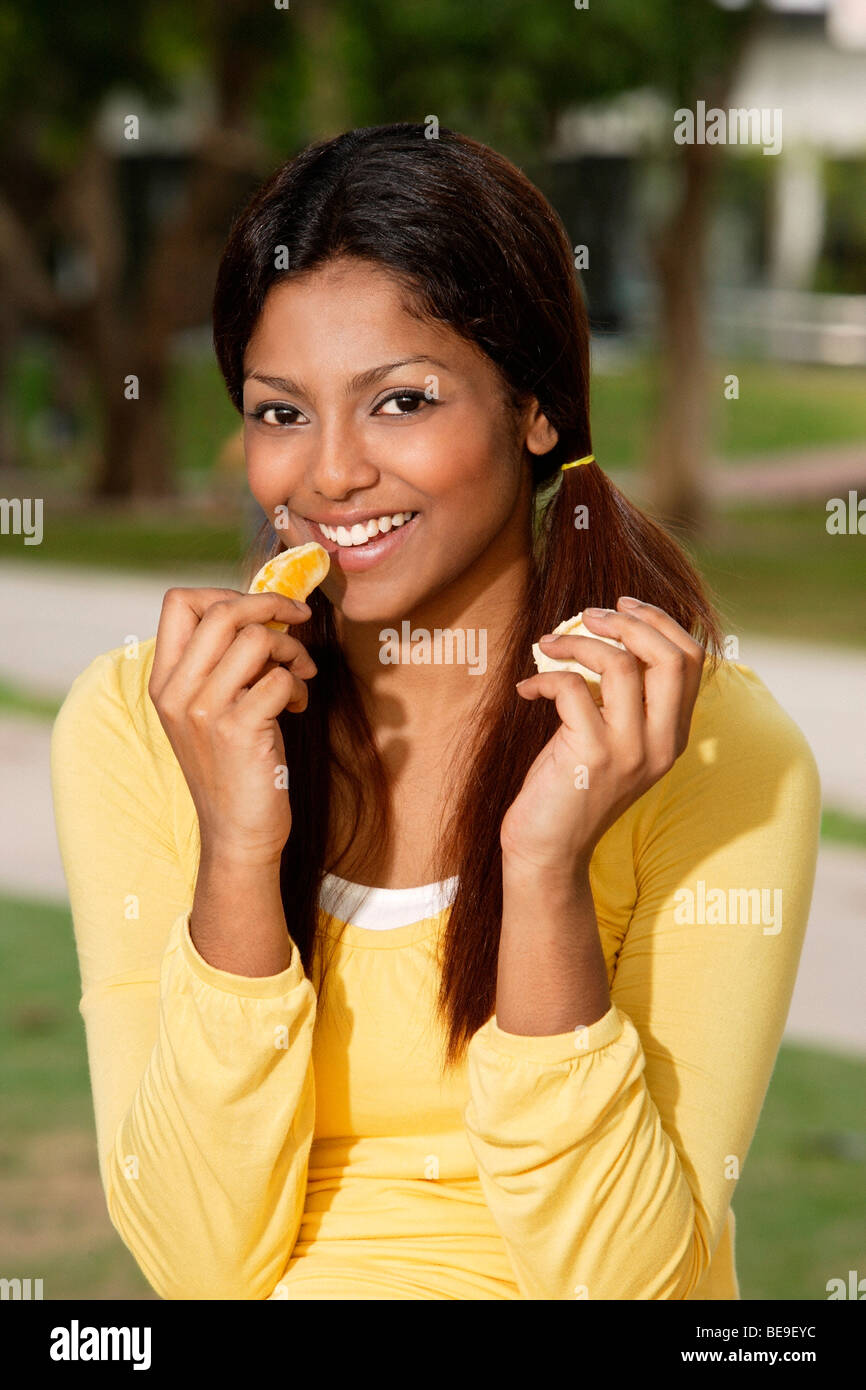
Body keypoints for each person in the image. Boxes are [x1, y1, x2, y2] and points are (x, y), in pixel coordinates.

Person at [51, 123, 820, 1301]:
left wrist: (545, 867)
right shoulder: (137, 719)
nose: (330, 476)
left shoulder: (706, 744)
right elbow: (193, 1262)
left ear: (535, 411)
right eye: (279, 412)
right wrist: (237, 852)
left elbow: (627, 1288)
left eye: (400, 401)